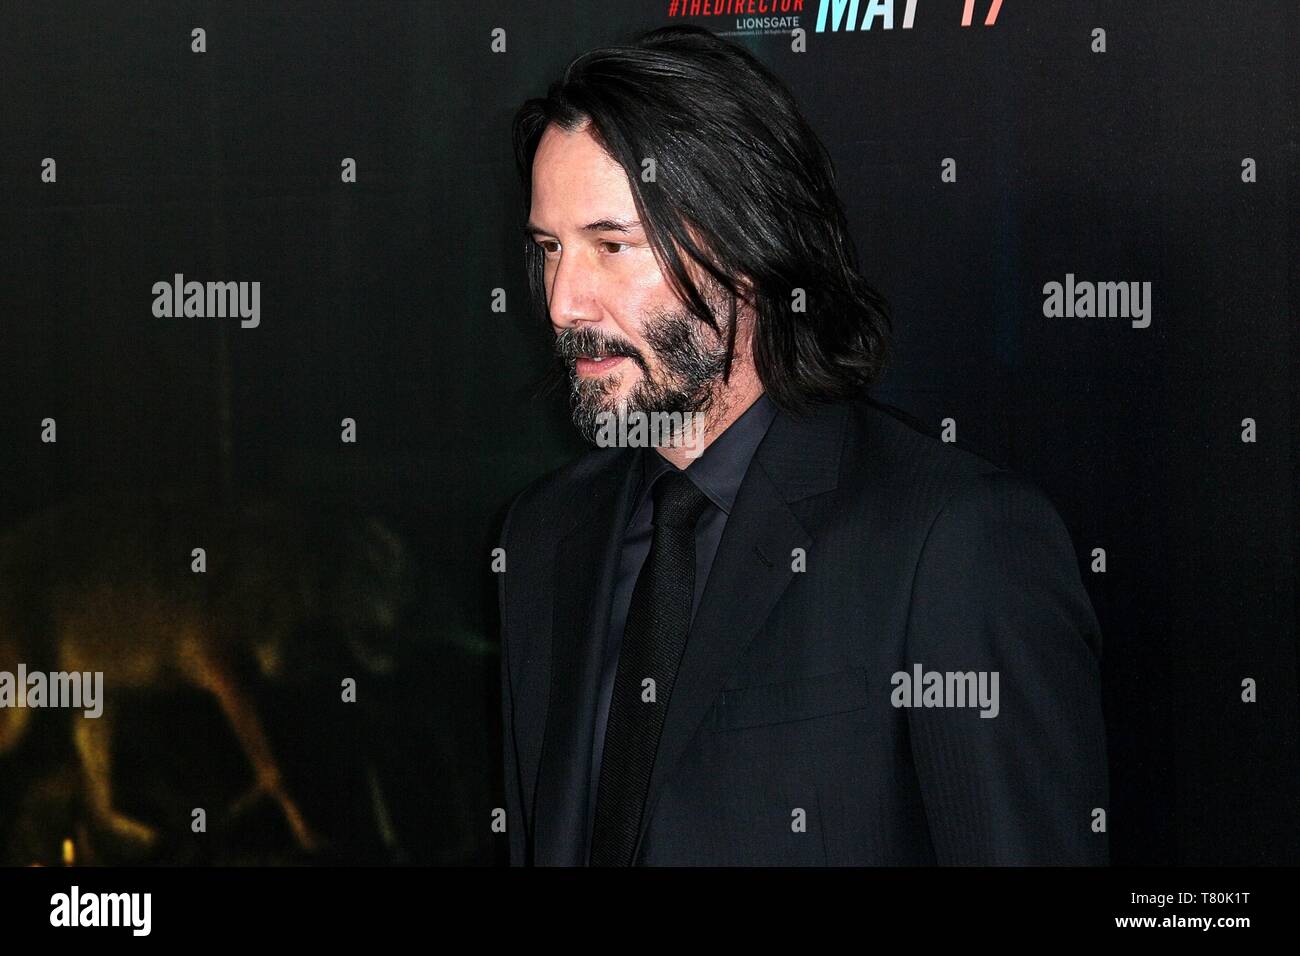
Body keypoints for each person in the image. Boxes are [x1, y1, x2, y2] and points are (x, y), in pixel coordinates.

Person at [496, 25, 1107, 866]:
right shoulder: (541, 538)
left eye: (611, 246)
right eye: (549, 250)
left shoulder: (952, 542)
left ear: (747, 248)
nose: (564, 301)